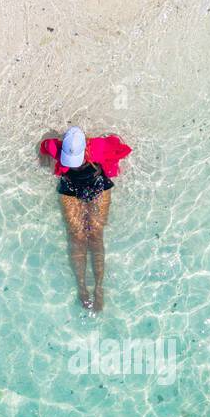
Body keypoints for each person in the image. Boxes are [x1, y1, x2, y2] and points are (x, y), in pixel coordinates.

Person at [40, 126, 132, 313]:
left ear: (87, 150)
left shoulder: (99, 147)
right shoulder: (59, 148)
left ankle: (98, 286)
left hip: (98, 185)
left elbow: (122, 147)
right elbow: (45, 146)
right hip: (70, 189)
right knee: (77, 236)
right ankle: (81, 286)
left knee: (95, 235)